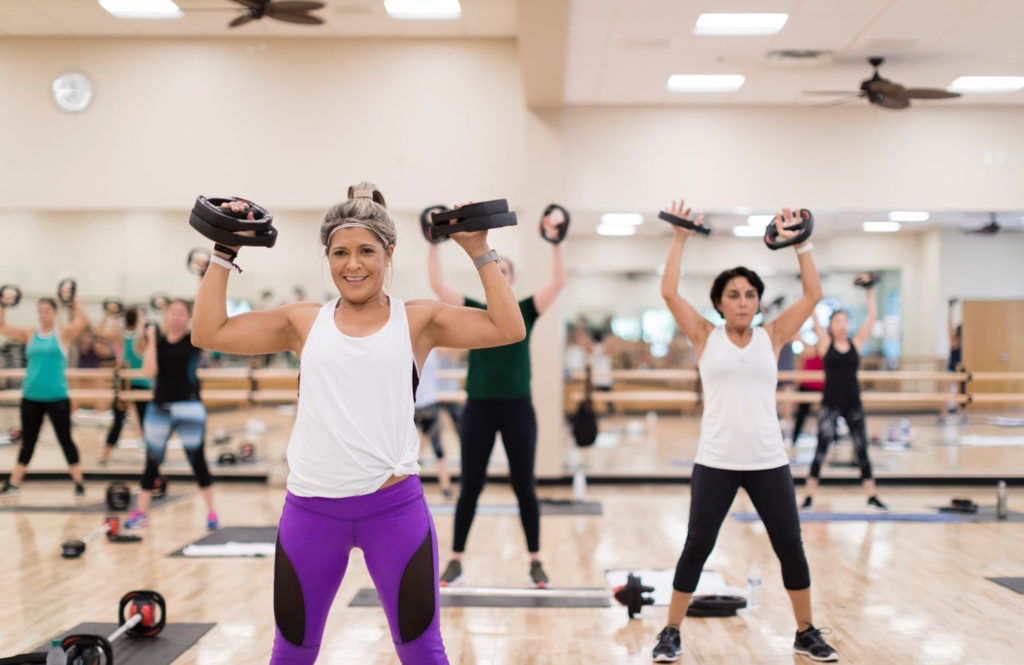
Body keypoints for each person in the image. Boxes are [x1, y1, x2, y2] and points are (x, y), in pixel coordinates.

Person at [191, 184, 525, 665]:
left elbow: (508, 328)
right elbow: (210, 332)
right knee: (291, 652)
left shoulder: (417, 321)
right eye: (340, 252)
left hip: (394, 512)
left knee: (423, 652)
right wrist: (224, 250)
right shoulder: (302, 321)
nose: (353, 265)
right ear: (326, 257)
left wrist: (479, 250)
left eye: (367, 251)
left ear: (389, 253)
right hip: (310, 513)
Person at [651, 200, 838, 663]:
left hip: (767, 461)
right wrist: (680, 238)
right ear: (719, 302)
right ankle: (671, 631)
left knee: (790, 548)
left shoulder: (772, 335)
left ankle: (805, 630)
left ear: (757, 303)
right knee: (696, 546)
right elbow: (670, 292)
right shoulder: (703, 335)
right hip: (715, 460)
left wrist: (803, 245)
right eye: (734, 294)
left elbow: (813, 295)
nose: (742, 301)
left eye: (750, 294)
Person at [429, 206, 567, 589]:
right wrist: (434, 242)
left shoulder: (524, 310)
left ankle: (536, 561)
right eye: (495, 271)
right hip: (479, 410)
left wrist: (556, 242)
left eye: (505, 272)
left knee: (525, 486)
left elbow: (559, 281)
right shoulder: (474, 310)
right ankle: (455, 559)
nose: (499, 276)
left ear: (511, 280)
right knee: (470, 485)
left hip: (518, 409)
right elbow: (437, 284)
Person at [124, 299, 218, 529]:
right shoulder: (157, 342)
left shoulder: (193, 340)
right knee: (152, 461)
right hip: (160, 408)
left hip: (190, 407)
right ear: (166, 316)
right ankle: (141, 513)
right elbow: (149, 371)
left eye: (181, 313)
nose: (176, 316)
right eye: (172, 312)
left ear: (188, 317)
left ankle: (212, 512)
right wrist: (151, 339)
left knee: (197, 460)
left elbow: (205, 312)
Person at [801, 277, 886, 513]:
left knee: (861, 448)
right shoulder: (824, 344)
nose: (842, 325)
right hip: (830, 403)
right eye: (838, 321)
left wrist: (869, 291)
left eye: (845, 321)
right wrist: (808, 289)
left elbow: (871, 318)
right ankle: (808, 496)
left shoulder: (856, 343)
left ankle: (872, 495)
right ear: (831, 325)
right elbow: (813, 315)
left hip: (852, 403)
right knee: (822, 446)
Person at [0, 295, 90, 495]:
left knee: (65, 439)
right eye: (40, 310)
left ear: (54, 313)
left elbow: (84, 321)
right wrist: (3, 303)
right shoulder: (30, 334)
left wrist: (73, 299)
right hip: (31, 396)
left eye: (47, 310)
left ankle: (78, 482)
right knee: (28, 441)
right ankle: (14, 482)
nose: (43, 314)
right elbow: (2, 326)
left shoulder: (63, 334)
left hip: (57, 397)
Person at [100, 307, 151, 464]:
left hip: (129, 384)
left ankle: (103, 458)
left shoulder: (121, 338)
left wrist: (109, 314)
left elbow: (99, 331)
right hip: (135, 383)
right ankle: (153, 459)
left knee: (120, 422)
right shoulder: (138, 338)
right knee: (142, 423)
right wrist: (142, 320)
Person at [414, 349, 454, 500]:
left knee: (437, 447)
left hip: (428, 403)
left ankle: (446, 486)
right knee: (409, 449)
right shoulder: (413, 346)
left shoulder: (433, 350)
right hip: (413, 404)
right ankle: (445, 487)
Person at [791, 340, 824, 445]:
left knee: (827, 414)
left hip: (821, 386)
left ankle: (831, 439)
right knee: (802, 414)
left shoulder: (825, 351)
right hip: (807, 385)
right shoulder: (809, 350)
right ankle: (794, 438)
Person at [945, 298, 968, 425]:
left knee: (962, 394)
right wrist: (950, 309)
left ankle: (963, 415)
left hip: (960, 371)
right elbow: (949, 325)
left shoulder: (965, 344)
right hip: (952, 370)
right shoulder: (955, 342)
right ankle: (944, 415)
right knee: (949, 393)